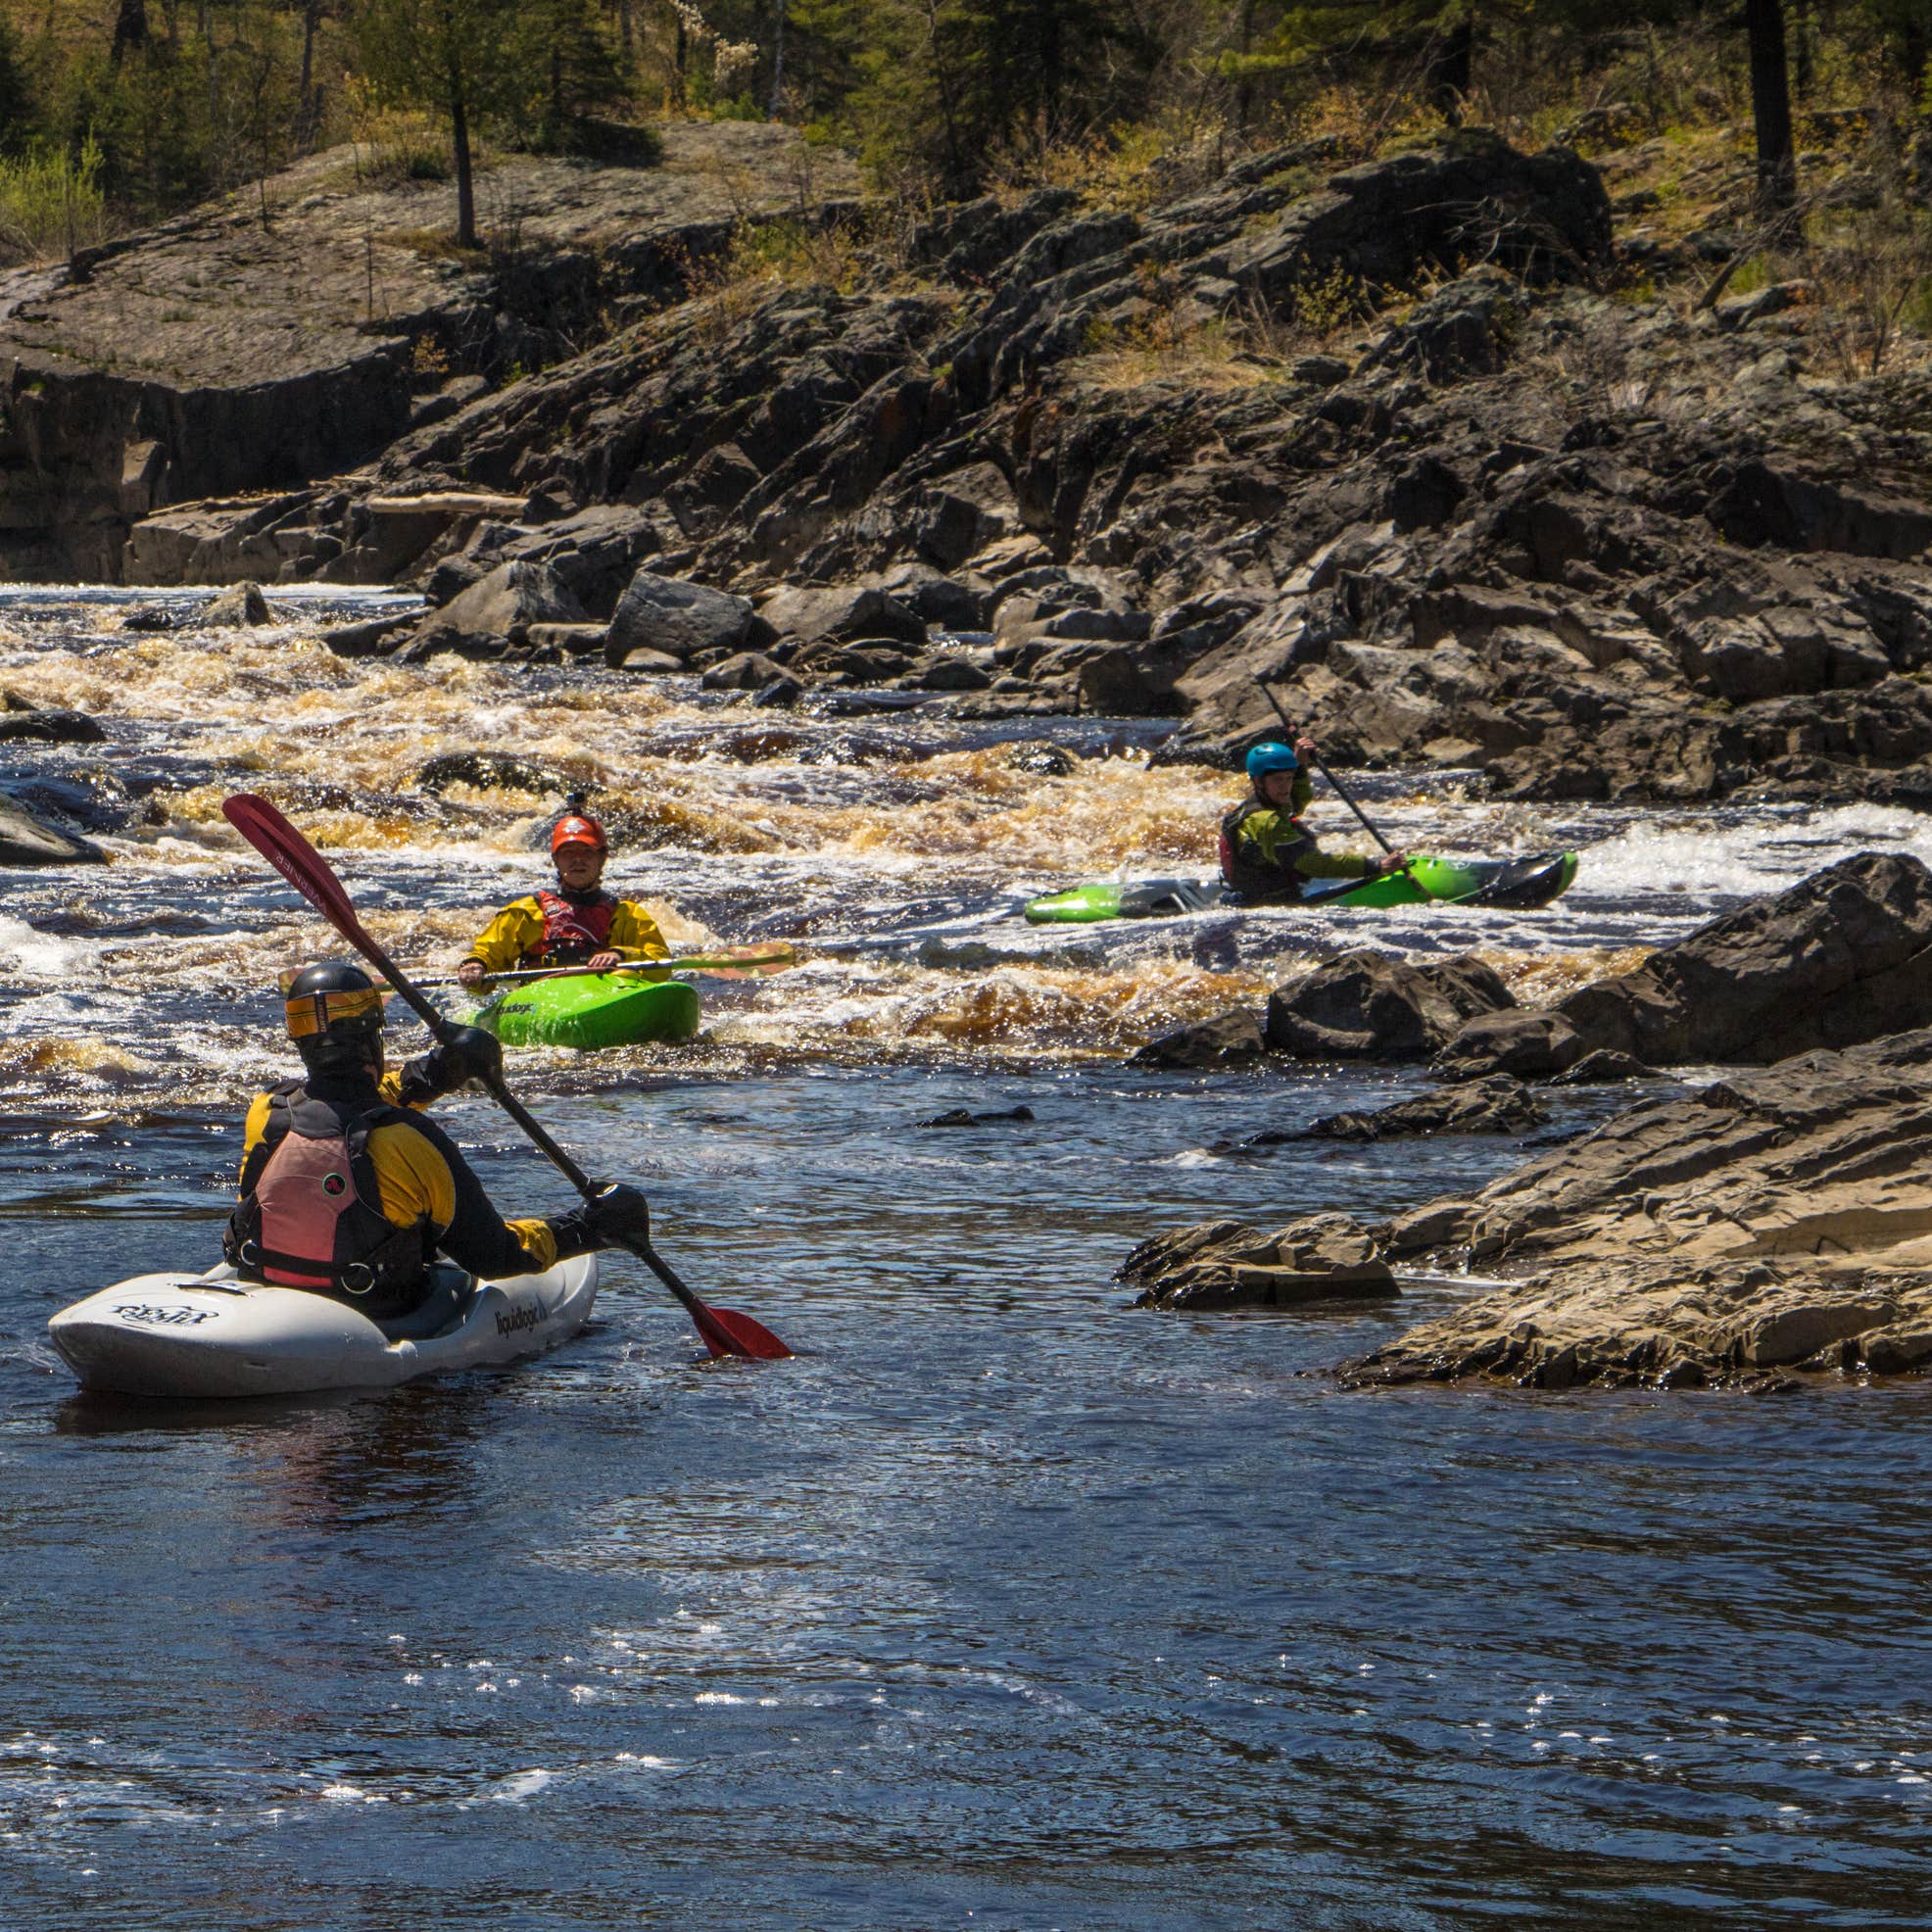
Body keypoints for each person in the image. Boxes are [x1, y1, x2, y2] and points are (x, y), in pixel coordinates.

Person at [223, 961, 651, 1321]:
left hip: (267, 1281)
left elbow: (343, 1106)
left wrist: (437, 1072)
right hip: (376, 1309)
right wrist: (587, 1228)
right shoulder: (411, 1141)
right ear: (374, 1037)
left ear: (300, 1040)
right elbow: (492, 1256)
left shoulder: (267, 1111)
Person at [456, 797, 671, 989]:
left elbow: (660, 963)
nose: (578, 860)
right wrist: (476, 965)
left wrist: (621, 954)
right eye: (568, 852)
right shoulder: (526, 912)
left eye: (587, 852)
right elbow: (489, 954)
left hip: (603, 993)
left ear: (602, 857)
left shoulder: (627, 915)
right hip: (541, 996)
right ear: (556, 859)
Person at [1219, 739, 1409, 903]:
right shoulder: (1266, 822)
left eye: (1289, 778)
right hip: (1269, 903)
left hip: (1273, 894)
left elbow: (1295, 802)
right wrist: (1376, 866)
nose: (1285, 787)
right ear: (1258, 782)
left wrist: (1299, 764)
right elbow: (1314, 864)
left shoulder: (1263, 802)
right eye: (1278, 780)